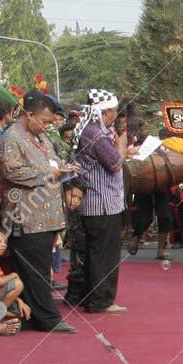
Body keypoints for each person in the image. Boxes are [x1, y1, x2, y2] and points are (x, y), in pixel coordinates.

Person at [0, 92, 77, 332]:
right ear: (29, 115)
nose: (47, 126)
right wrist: (48, 175)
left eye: (50, 122)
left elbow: (52, 164)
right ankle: (48, 318)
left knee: (39, 269)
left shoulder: (41, 137)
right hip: (26, 216)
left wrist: (66, 169)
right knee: (35, 271)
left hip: (47, 217)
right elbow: (11, 171)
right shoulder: (12, 137)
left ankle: (29, 315)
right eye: (44, 121)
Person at [65, 89, 128, 314]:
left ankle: (90, 296)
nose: (115, 116)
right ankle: (101, 300)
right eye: (114, 112)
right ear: (106, 111)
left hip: (94, 203)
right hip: (102, 204)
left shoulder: (89, 130)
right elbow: (116, 163)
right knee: (104, 255)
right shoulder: (95, 134)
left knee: (94, 254)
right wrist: (122, 144)